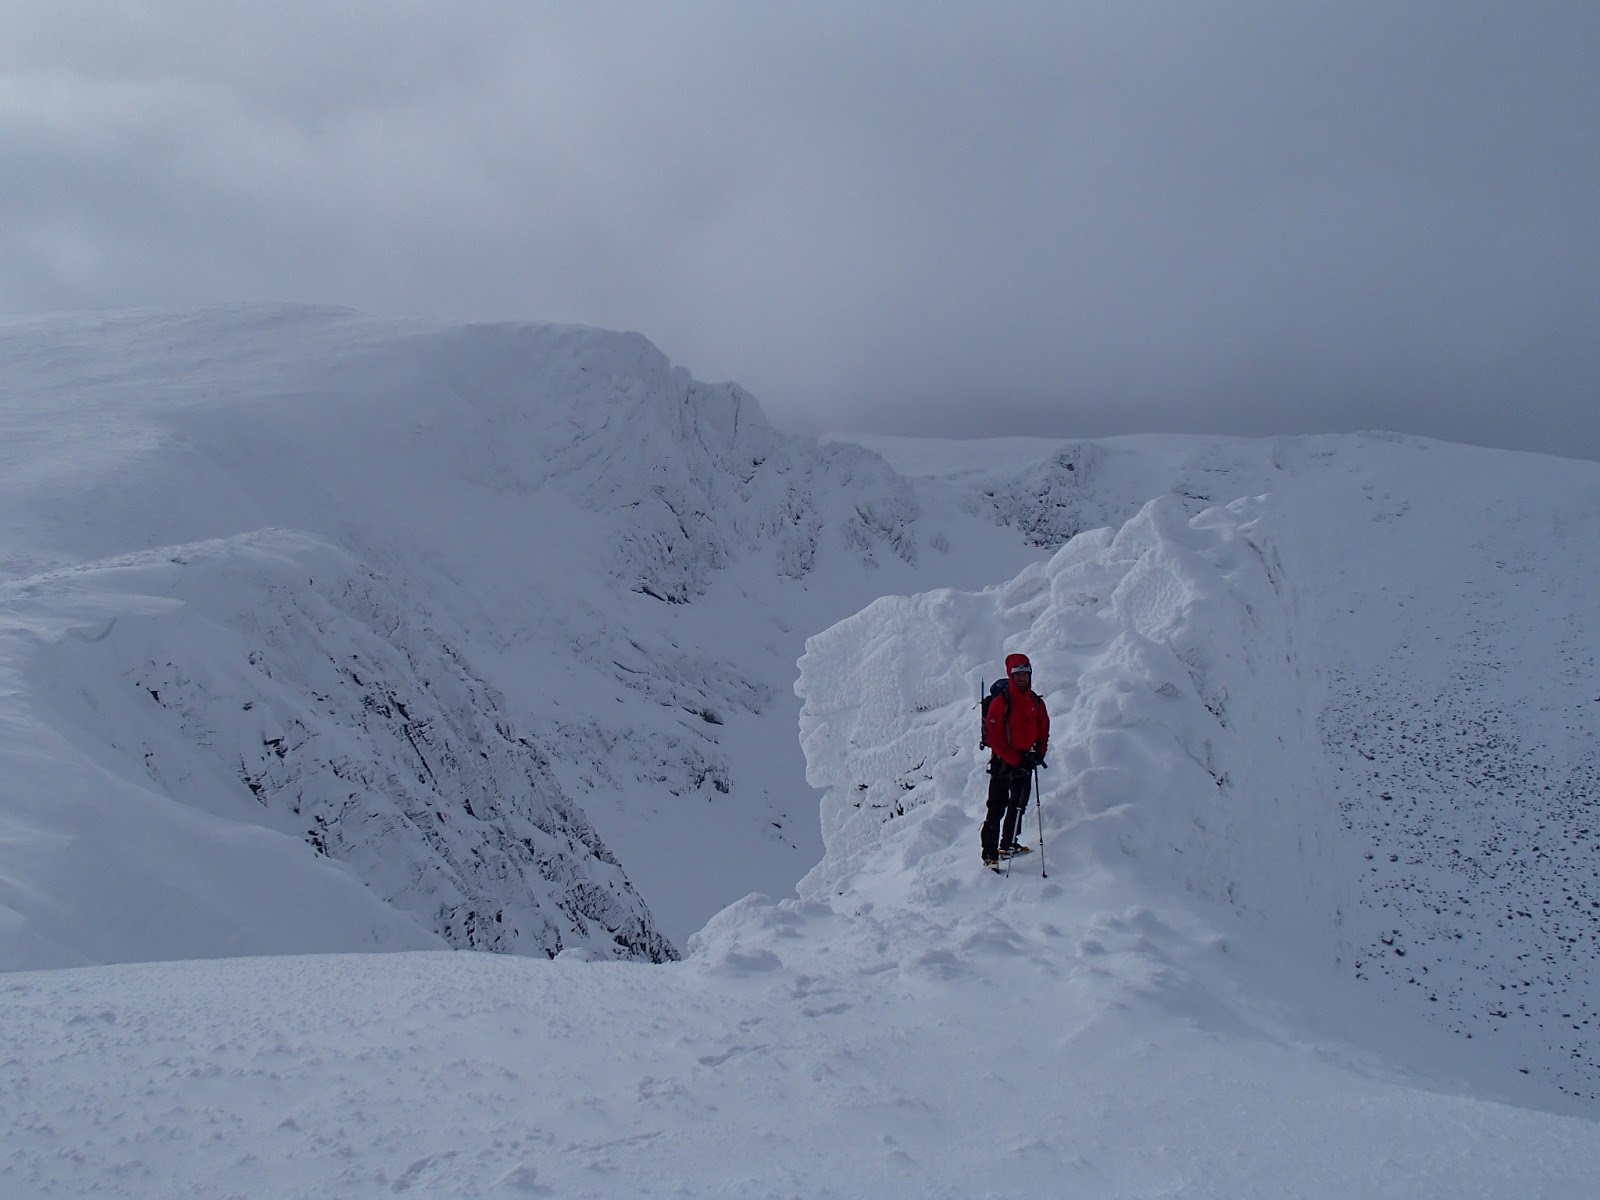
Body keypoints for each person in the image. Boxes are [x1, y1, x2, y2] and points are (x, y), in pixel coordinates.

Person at [981, 652, 1049, 867]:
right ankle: (990, 853)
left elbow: (1043, 730)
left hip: (1024, 760)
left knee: (1019, 805)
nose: (1022, 678)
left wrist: (1039, 753)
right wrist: (1016, 759)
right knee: (997, 807)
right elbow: (994, 737)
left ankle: (1009, 843)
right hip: (1003, 762)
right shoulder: (1001, 702)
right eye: (1017, 674)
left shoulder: (1035, 702)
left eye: (1025, 674)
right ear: (1011, 675)